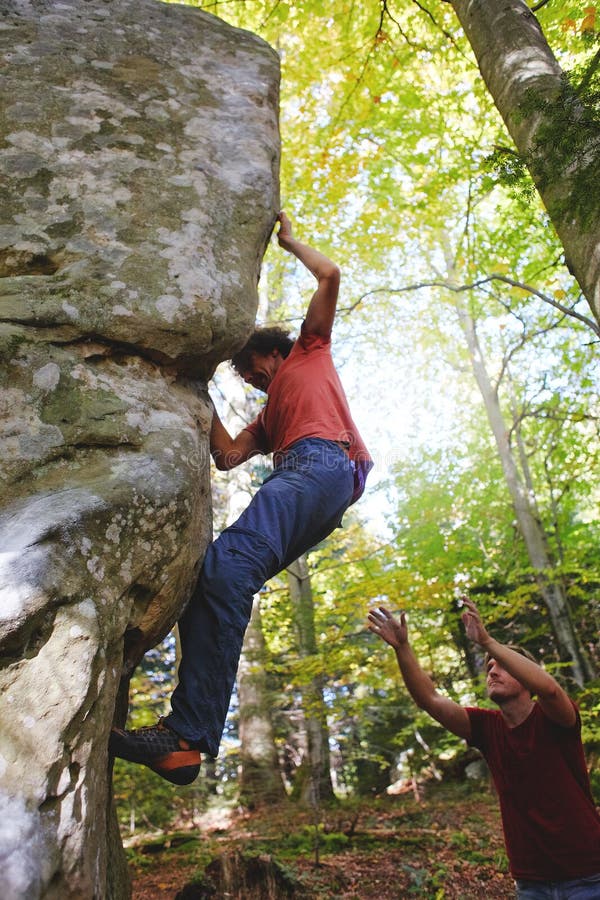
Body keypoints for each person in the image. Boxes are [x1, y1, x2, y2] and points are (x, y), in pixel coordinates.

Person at [110, 212, 372, 785]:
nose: (254, 383)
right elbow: (227, 455)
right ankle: (182, 741)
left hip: (325, 462)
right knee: (214, 580)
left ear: (275, 354)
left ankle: (189, 733)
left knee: (228, 567)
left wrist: (290, 241)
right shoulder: (267, 417)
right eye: (249, 382)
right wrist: (192, 390)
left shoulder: (309, 351)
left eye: (255, 372)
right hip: (307, 476)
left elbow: (329, 277)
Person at [367, 599, 600, 899]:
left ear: (527, 678)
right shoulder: (486, 728)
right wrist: (402, 648)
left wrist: (487, 642)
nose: (492, 670)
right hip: (532, 883)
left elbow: (551, 689)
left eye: (502, 665)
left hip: (588, 874)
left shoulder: (555, 718)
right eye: (489, 666)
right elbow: (430, 700)